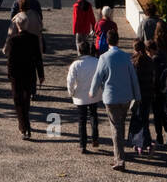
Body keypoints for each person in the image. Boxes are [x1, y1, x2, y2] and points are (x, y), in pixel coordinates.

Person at [89, 31, 141, 170]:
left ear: (108, 41)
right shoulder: (126, 56)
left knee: (116, 127)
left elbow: (98, 76)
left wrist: (92, 91)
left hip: (111, 98)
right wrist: (137, 95)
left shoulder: (104, 57)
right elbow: (133, 77)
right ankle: (120, 153)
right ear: (118, 41)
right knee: (120, 125)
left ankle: (120, 159)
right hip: (125, 97)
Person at [5, 12, 44, 140]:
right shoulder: (33, 39)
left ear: (17, 24)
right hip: (29, 73)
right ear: (27, 24)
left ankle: (23, 127)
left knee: (18, 101)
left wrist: (9, 74)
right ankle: (25, 126)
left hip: (16, 75)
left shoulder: (13, 40)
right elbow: (38, 58)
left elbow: (10, 60)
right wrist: (41, 74)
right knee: (26, 100)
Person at [66, 39, 101, 152]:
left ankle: (83, 145)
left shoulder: (75, 65)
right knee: (93, 115)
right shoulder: (96, 61)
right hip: (94, 94)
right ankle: (95, 137)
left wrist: (71, 93)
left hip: (80, 96)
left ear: (79, 51)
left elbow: (70, 81)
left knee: (82, 120)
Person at [128, 39, 155, 154]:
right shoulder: (149, 60)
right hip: (148, 93)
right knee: (145, 118)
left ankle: (140, 143)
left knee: (137, 118)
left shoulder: (133, 62)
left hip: (137, 95)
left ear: (135, 49)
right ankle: (146, 142)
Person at [148, 40, 167, 146]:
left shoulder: (154, 60)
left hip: (156, 91)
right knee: (162, 113)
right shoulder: (163, 56)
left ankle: (160, 137)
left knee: (157, 115)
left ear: (150, 50)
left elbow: (154, 78)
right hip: (164, 90)